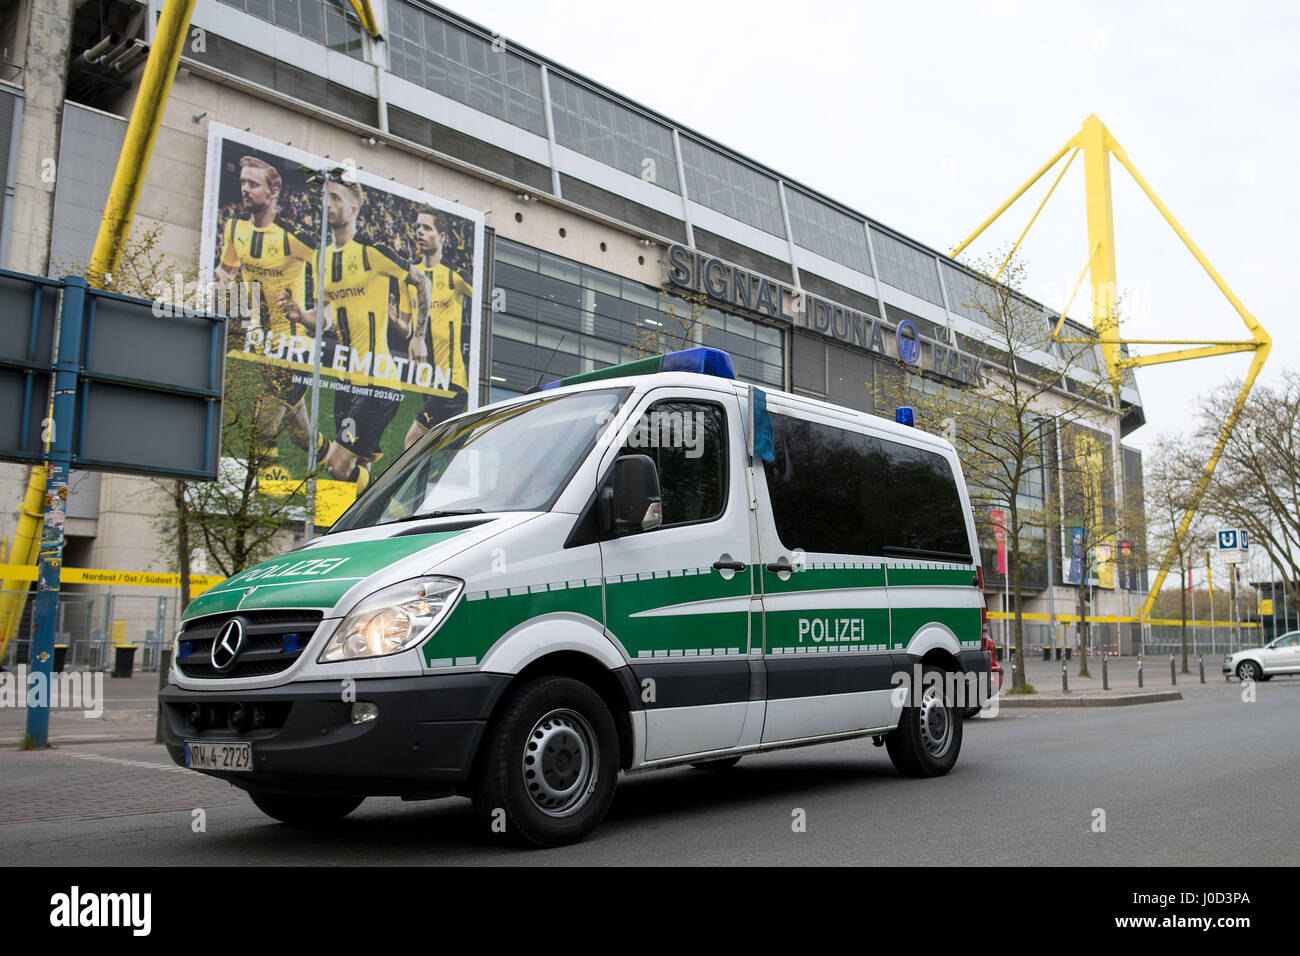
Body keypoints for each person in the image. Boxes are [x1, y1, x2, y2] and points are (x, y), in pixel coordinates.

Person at [283, 179, 430, 495]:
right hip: (346, 383)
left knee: (337, 465)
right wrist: (300, 315)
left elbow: (422, 283)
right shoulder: (321, 259)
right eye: (325, 198)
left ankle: (388, 505)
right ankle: (372, 521)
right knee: (354, 471)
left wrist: (418, 336)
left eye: (335, 197)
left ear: (353, 209)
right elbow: (321, 318)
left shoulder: (373, 254)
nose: (327, 203)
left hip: (378, 382)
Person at [215, 156, 325, 477]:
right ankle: (334, 460)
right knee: (299, 433)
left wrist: (307, 312)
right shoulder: (235, 227)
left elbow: (331, 272)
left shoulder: (294, 236)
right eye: (243, 182)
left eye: (253, 183)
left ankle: (268, 492)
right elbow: (225, 271)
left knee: (262, 426)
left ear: (273, 191)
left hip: (292, 348)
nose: (245, 189)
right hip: (261, 345)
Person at [399, 206, 473, 449]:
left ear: (442, 237)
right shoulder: (410, 277)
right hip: (427, 381)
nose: (419, 232)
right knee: (435, 449)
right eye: (417, 227)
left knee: (412, 441)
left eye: (426, 227)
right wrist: (393, 319)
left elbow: (487, 300)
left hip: (452, 382)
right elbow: (404, 328)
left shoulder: (455, 277)